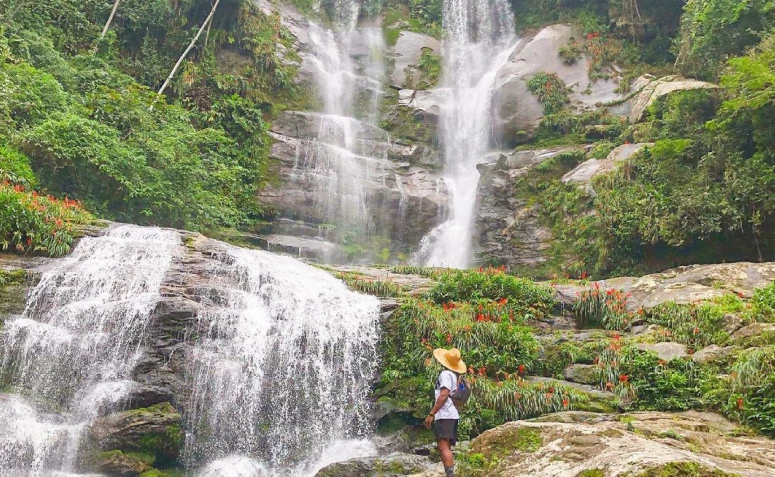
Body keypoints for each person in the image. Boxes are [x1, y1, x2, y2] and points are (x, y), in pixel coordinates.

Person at [424, 347, 466, 477]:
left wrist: (431, 414)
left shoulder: (446, 375)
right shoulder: (455, 376)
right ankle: (450, 473)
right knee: (446, 446)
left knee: (443, 446)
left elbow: (443, 395)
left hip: (445, 415)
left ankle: (450, 475)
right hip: (452, 415)